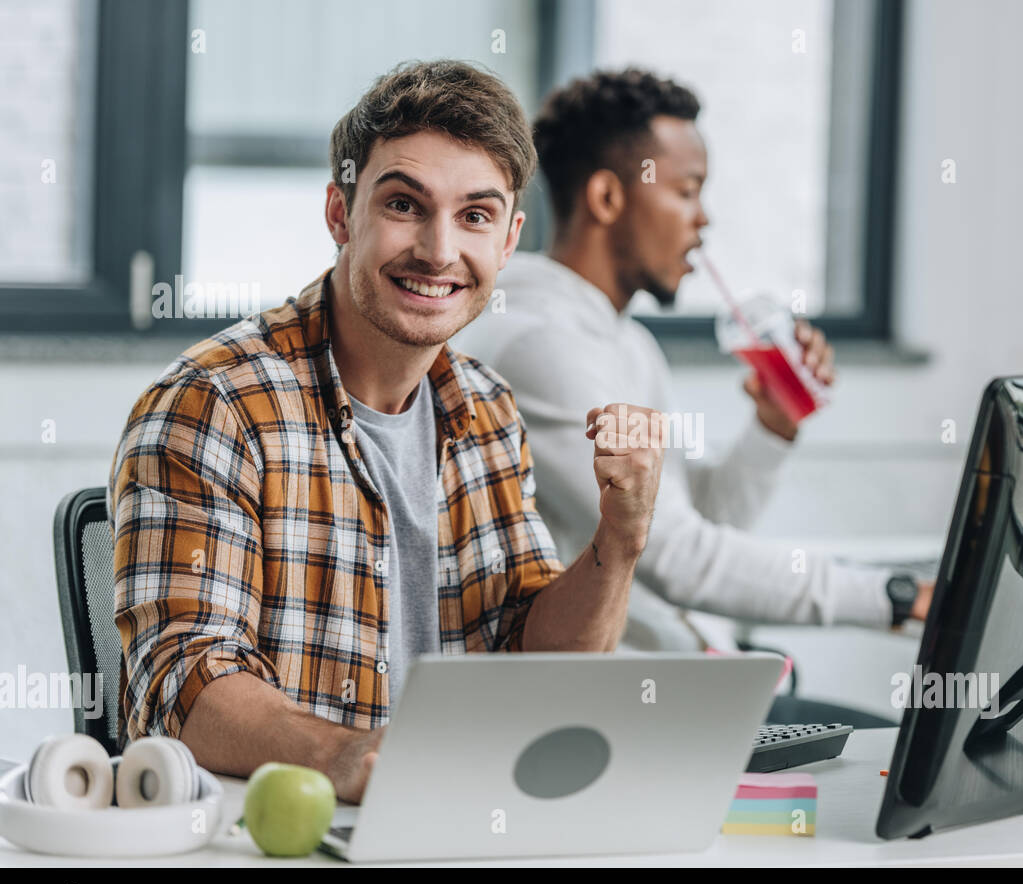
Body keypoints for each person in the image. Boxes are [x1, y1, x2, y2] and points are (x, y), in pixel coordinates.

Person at [107, 61, 666, 803]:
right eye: (405, 204)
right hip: (274, 839)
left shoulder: (488, 408)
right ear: (341, 214)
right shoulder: (215, 404)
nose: (438, 251)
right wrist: (350, 759)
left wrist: (619, 542)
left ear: (508, 239)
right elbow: (182, 684)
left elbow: (533, 655)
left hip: (462, 823)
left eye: (475, 215)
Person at [454, 68, 931, 653]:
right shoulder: (543, 344)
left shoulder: (626, 342)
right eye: (686, 191)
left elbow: (698, 520)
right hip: (604, 704)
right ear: (607, 197)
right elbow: (675, 555)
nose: (703, 218)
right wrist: (895, 596)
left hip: (679, 675)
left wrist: (772, 430)